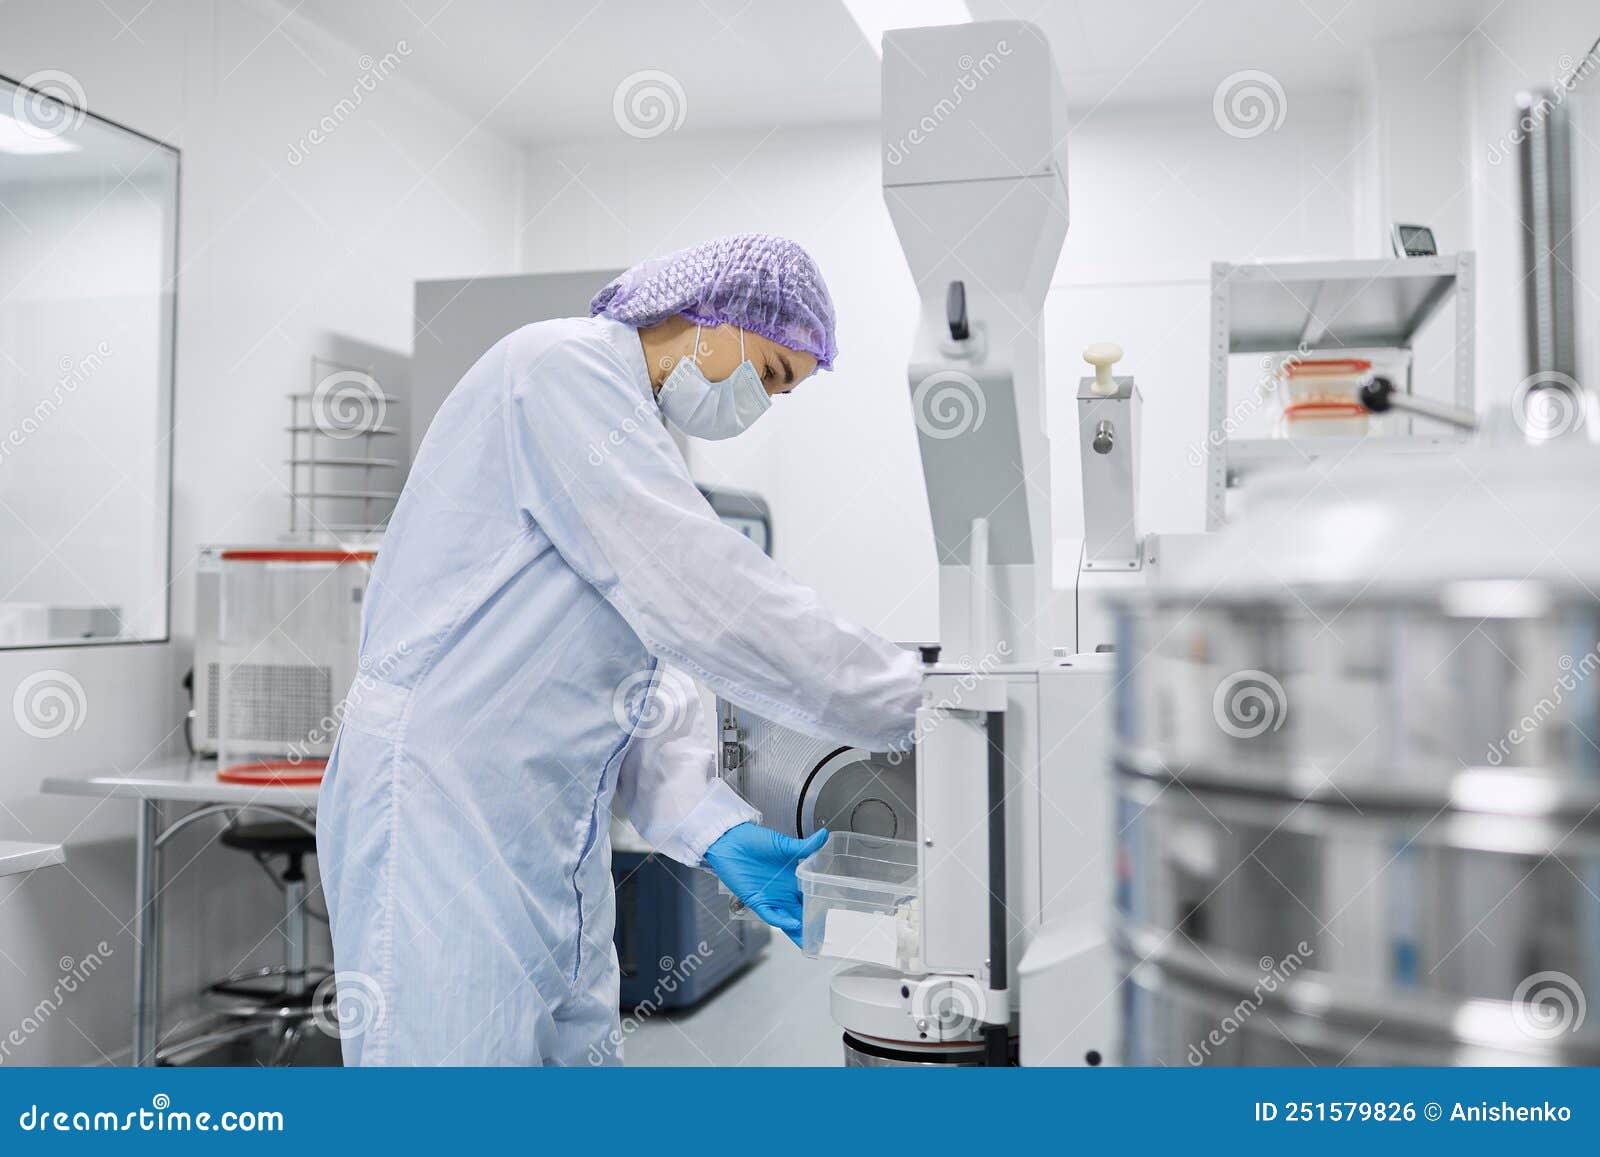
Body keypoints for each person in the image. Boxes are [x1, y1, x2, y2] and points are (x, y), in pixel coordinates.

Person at [317, 233, 922, 1066]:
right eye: (771, 373)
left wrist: (711, 825)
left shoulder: (632, 426)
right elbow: (700, 594)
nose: (761, 402)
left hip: (546, 831)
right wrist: (915, 697)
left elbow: (640, 674)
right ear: (709, 315)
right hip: (441, 809)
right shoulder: (558, 368)